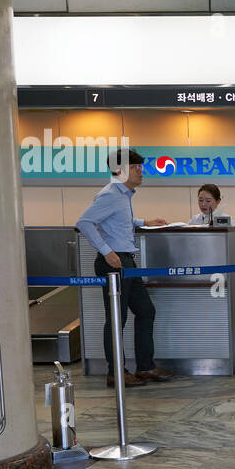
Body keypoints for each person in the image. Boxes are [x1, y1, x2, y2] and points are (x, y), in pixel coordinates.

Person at [75, 148, 175, 387]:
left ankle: (145, 367)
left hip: (127, 261)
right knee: (116, 319)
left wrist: (143, 222)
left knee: (145, 311)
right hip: (114, 261)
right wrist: (106, 251)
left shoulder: (123, 195)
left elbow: (118, 220)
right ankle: (116, 372)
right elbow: (84, 223)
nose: (141, 170)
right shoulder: (110, 194)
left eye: (140, 166)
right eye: (135, 167)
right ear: (119, 171)